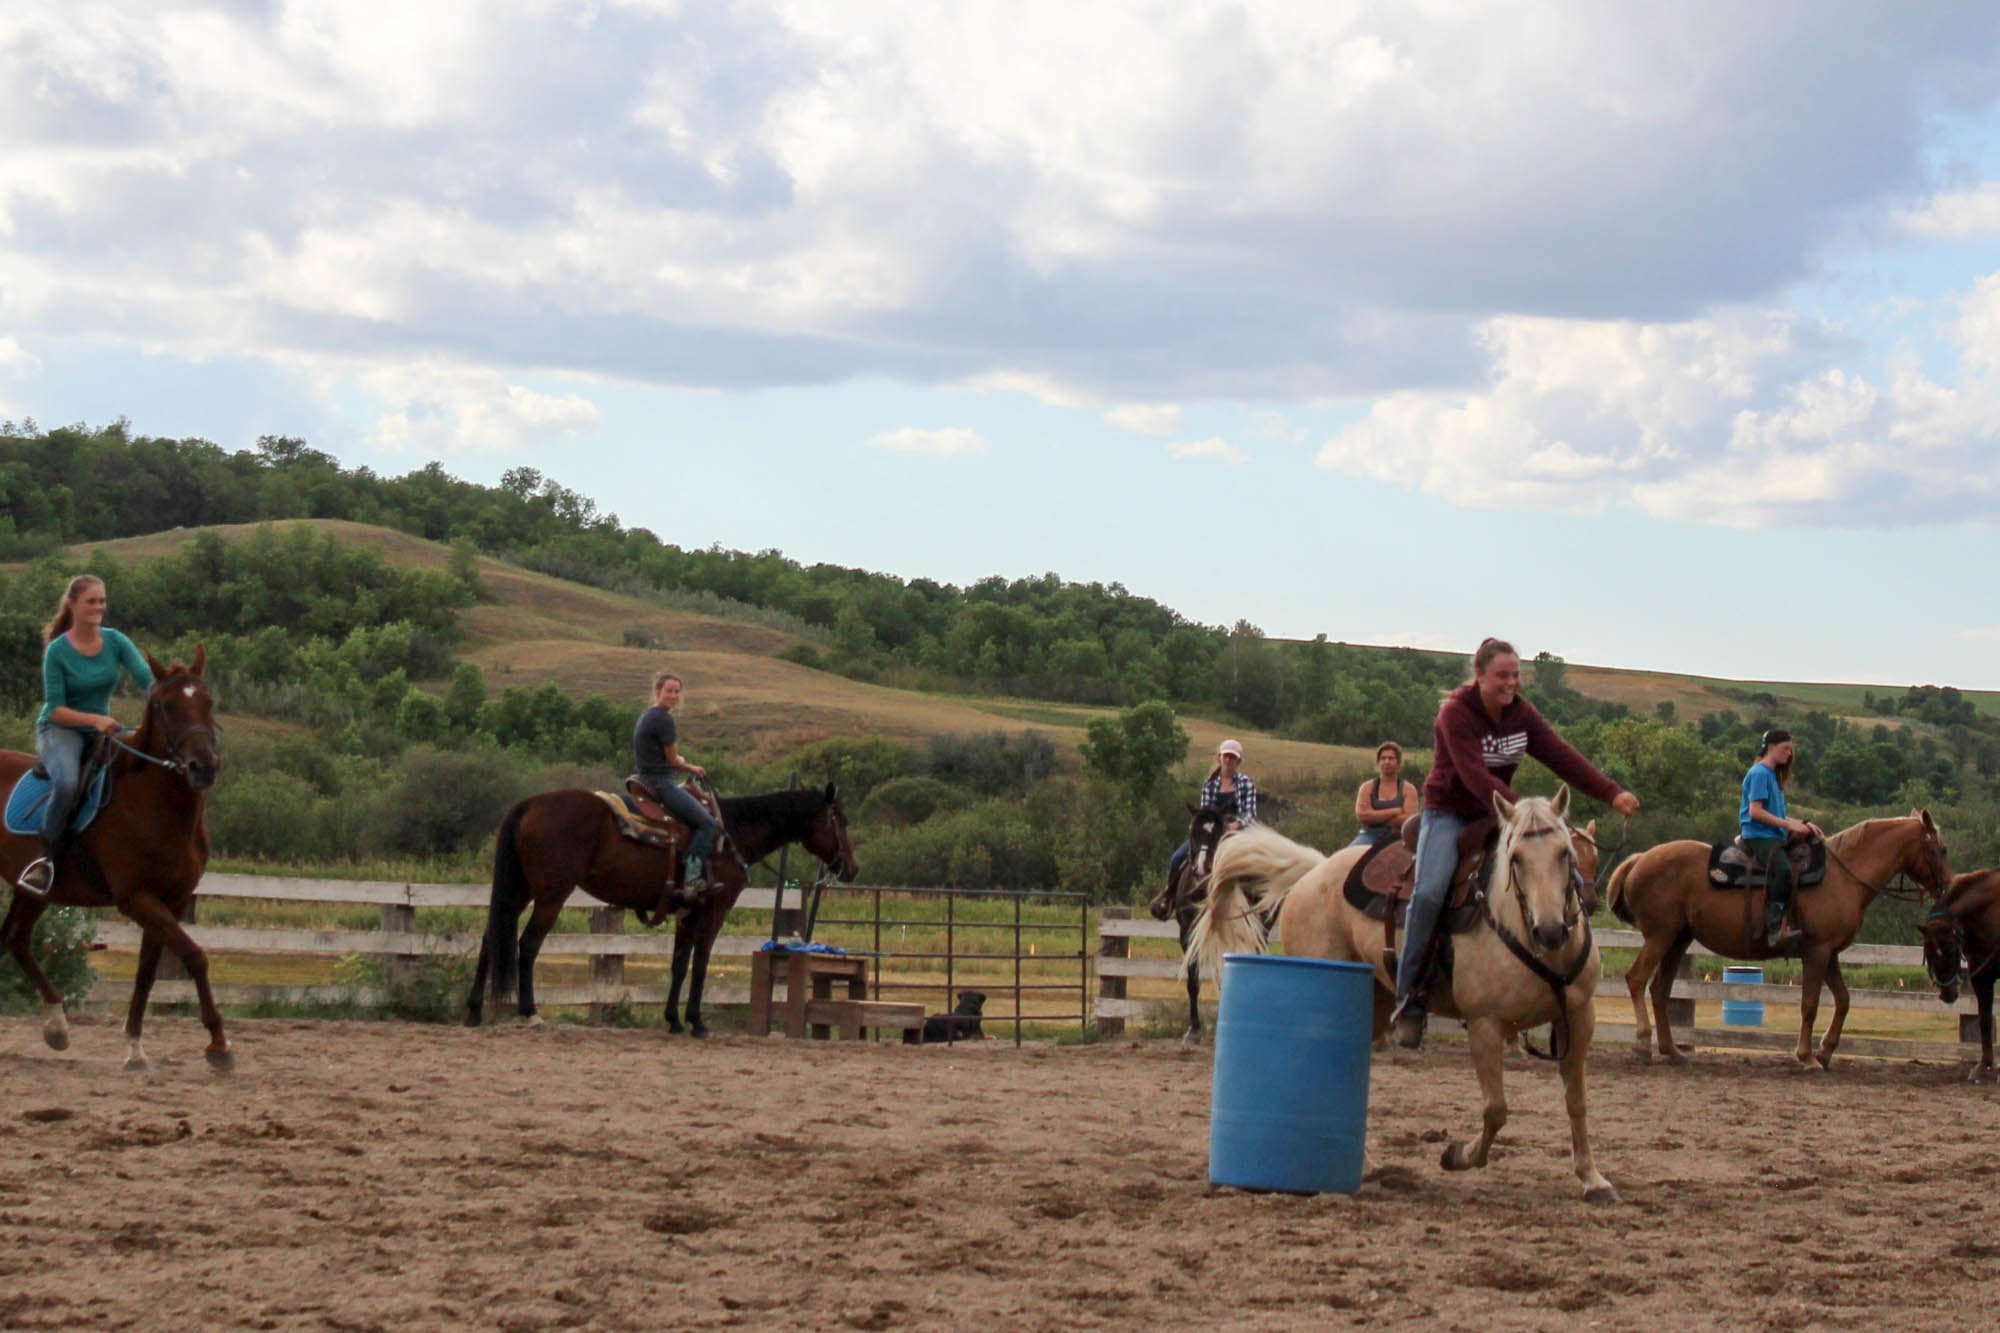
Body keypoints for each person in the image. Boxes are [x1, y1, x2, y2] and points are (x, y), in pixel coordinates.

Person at [1389, 638, 1642, 1049]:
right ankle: (1410, 997)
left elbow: (1560, 755)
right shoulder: (1456, 714)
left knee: (1551, 870)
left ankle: (1562, 984)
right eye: (1502, 675)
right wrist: (1523, 810)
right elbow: (1472, 776)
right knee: (1432, 891)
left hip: (1499, 814)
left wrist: (1610, 793)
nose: (1511, 683)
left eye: (1516, 675)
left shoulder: (1521, 714)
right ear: (1480, 676)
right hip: (1450, 812)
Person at [17, 575, 155, 898]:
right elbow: (56, 709)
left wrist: (170, 696)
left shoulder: (116, 641)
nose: (98, 607)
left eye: (102, 601)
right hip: (60, 729)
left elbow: (148, 680)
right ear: (73, 605)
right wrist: (95, 719)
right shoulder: (57, 651)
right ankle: (45, 859)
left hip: (103, 729)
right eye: (91, 601)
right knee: (66, 783)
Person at [631, 670, 717, 892]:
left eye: (677, 692)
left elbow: (664, 757)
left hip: (647, 778)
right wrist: (691, 767)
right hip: (662, 783)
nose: (674, 695)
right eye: (669, 691)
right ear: (658, 691)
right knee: (708, 823)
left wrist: (678, 762)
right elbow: (672, 759)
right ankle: (690, 878)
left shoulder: (648, 715)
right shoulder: (663, 719)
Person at [1741, 728, 1820, 948]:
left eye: (1790, 750)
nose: (1789, 754)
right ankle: (1773, 925)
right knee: (1784, 870)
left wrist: (1801, 824)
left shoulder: (1773, 777)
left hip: (1773, 834)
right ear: (1771, 748)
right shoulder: (1759, 774)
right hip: (1758, 835)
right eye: (1785, 749)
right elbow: (1755, 811)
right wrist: (1788, 824)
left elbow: (1777, 814)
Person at [1165, 739, 1259, 885]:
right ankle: (1168, 897)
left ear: (1238, 761)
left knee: (1257, 865)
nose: (1228, 760)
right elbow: (1204, 815)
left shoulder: (1247, 783)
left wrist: (1236, 825)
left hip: (1239, 833)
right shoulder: (1209, 784)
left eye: (1232, 757)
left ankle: (1259, 901)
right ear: (1219, 758)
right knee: (1177, 858)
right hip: (1212, 833)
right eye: (1225, 756)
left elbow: (1250, 813)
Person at [1350, 741, 1419, 848]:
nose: (1387, 761)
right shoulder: (1367, 787)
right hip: (1369, 835)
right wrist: (1395, 811)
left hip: (1399, 837)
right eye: (1383, 758)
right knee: (1351, 859)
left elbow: (1409, 820)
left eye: (1391, 758)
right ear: (1378, 762)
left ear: (1398, 762)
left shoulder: (1408, 789)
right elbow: (1363, 816)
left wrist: (1375, 816)